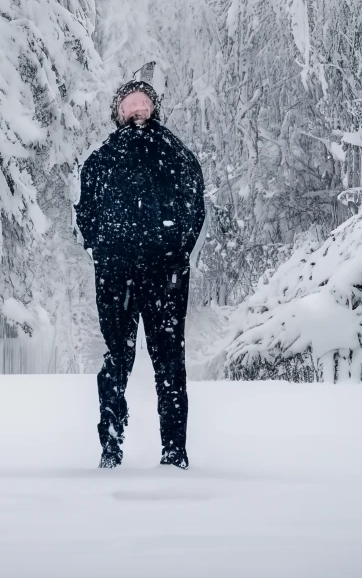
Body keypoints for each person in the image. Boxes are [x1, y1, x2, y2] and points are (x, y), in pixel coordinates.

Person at [74, 79, 206, 470]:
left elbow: (194, 208)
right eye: (128, 106)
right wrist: (101, 251)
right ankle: (113, 447)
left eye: (142, 105)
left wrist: (176, 252)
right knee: (120, 358)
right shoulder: (103, 159)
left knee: (167, 361)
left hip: (164, 274)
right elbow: (85, 212)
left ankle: (173, 451)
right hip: (119, 275)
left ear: (154, 109)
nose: (136, 111)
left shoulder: (174, 154)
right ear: (118, 114)